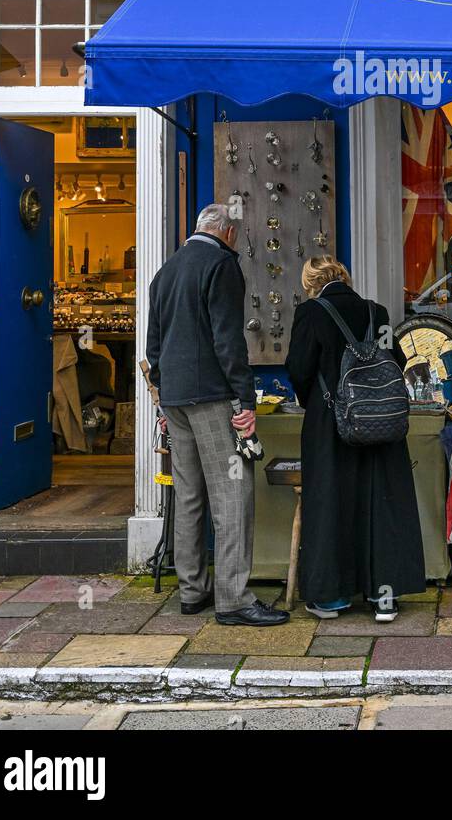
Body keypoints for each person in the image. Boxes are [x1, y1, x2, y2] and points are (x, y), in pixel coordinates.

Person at [146, 202, 288, 627]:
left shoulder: (165, 272)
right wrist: (245, 401)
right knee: (231, 495)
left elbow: (153, 346)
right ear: (227, 234)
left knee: (189, 496)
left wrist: (163, 392)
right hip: (211, 397)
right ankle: (233, 599)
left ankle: (192, 591)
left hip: (174, 399)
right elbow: (229, 339)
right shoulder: (222, 266)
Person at [285, 255, 426, 622]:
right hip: (381, 423)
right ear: (344, 277)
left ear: (311, 283)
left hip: (331, 425)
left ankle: (332, 598)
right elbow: (396, 359)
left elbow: (299, 369)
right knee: (382, 504)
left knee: (331, 502)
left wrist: (313, 401)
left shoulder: (311, 314)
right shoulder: (376, 312)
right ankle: (384, 598)